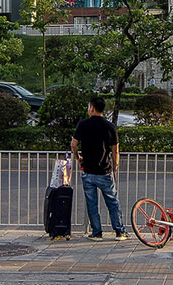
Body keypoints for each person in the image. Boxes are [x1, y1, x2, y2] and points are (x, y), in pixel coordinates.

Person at [70, 95, 125, 240]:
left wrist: (78, 158)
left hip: (88, 170)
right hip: (105, 170)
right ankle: (119, 231)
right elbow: (115, 150)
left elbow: (73, 144)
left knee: (92, 203)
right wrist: (115, 167)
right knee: (113, 202)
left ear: (92, 108)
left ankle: (97, 232)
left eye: (89, 107)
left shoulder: (83, 125)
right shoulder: (110, 126)